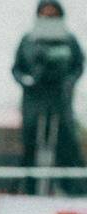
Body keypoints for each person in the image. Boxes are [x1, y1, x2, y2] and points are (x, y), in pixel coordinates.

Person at [13, 0, 86, 195]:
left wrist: (68, 81)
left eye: (52, 14)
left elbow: (78, 65)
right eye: (45, 14)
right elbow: (17, 68)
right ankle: (29, 188)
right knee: (30, 145)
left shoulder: (69, 41)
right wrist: (28, 80)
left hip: (60, 101)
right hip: (34, 101)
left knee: (67, 144)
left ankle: (72, 189)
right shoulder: (28, 40)